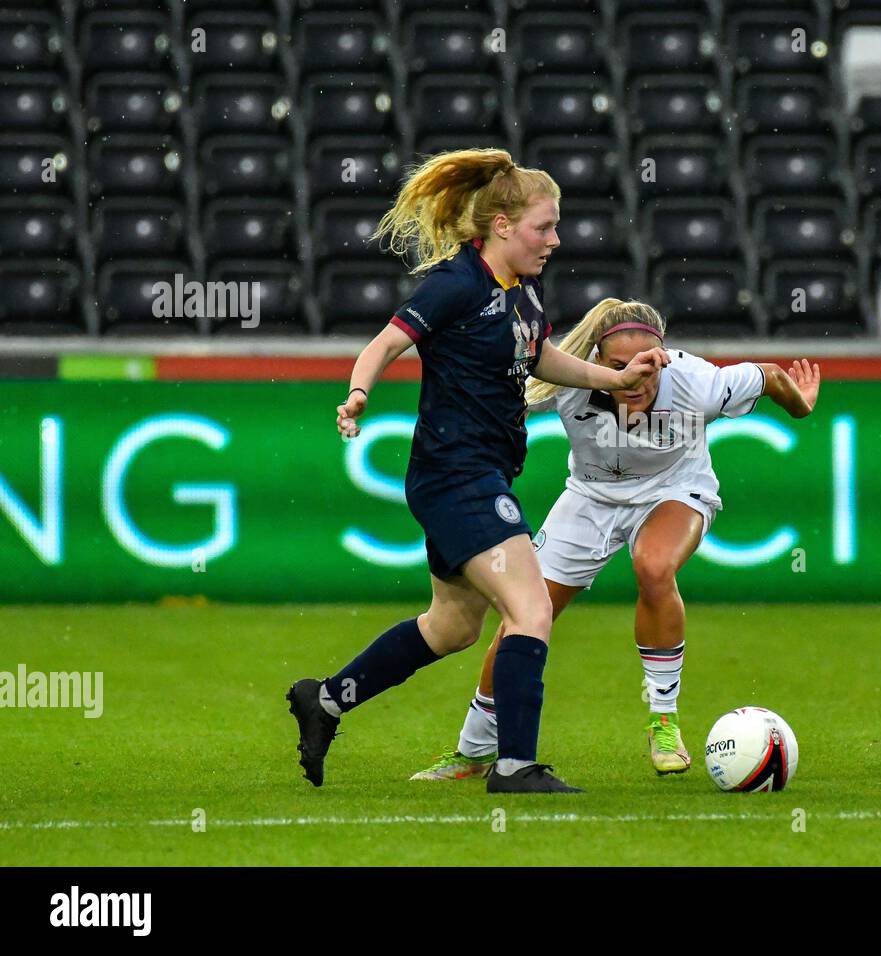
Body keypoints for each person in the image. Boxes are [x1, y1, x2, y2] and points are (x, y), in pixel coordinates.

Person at [285, 149, 669, 794]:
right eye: (542, 227)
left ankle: (324, 700)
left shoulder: (523, 289)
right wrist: (358, 395)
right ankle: (515, 766)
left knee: (452, 627)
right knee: (531, 608)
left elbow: (540, 356)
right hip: (456, 476)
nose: (554, 239)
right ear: (500, 226)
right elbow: (386, 342)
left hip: (476, 473)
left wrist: (614, 378)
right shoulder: (456, 283)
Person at [410, 298, 820, 781]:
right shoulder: (567, 381)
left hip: (675, 489)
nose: (637, 378)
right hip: (589, 497)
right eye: (619, 366)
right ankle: (475, 751)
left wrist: (801, 405)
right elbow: (489, 395)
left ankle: (663, 722)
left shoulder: (698, 383)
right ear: (597, 362)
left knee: (653, 565)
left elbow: (770, 375)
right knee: (526, 612)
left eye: (648, 366)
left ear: (664, 359)